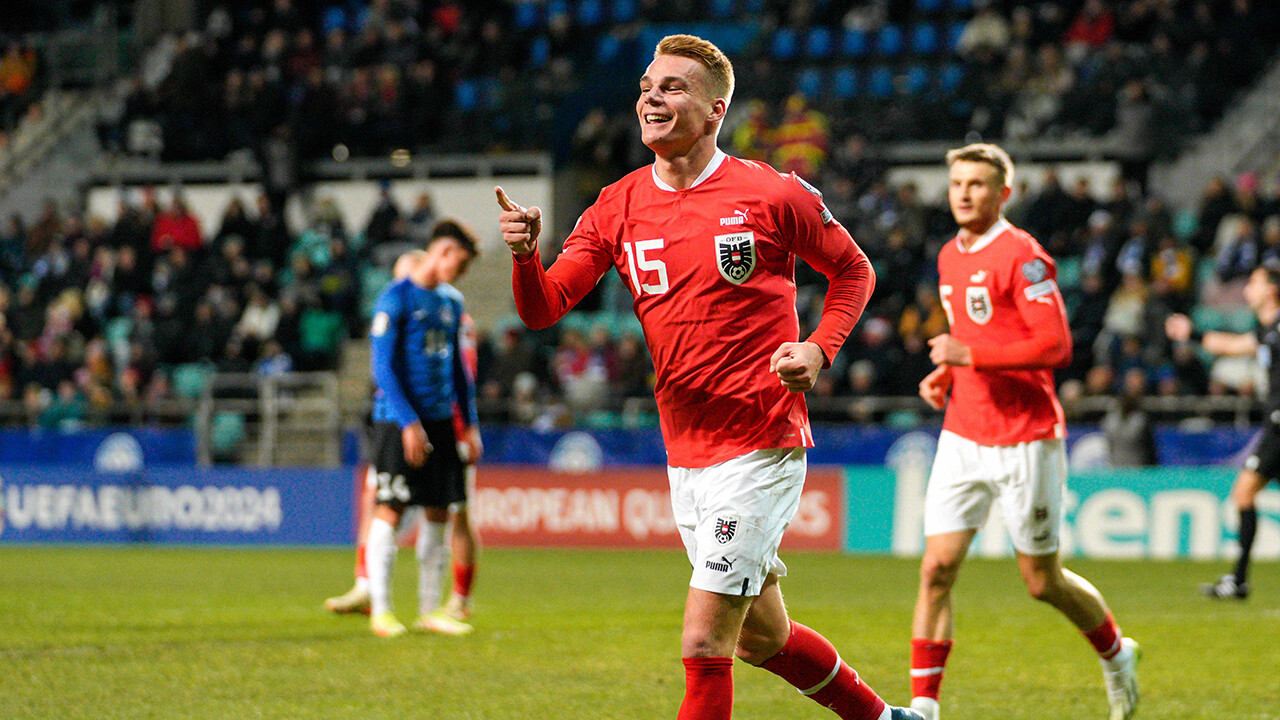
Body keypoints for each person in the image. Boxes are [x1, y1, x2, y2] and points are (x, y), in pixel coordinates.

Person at [496, 33, 921, 720]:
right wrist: (524, 257)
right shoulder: (616, 204)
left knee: (704, 641)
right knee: (763, 638)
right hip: (686, 451)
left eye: (672, 87)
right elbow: (544, 308)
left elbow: (854, 270)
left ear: (716, 108)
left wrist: (819, 349)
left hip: (760, 442)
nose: (651, 98)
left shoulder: (772, 193)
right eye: (646, 87)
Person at [912, 143, 1140, 720]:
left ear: (1004, 194)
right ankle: (924, 708)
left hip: (1026, 435)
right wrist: (949, 372)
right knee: (936, 569)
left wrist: (969, 356)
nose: (964, 193)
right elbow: (974, 337)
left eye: (977, 184)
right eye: (957, 183)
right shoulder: (949, 255)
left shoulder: (1024, 255)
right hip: (963, 432)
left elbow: (1056, 345)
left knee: (1042, 581)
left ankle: (1117, 653)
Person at [324, 245, 483, 623]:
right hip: (398, 421)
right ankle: (368, 587)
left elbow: (460, 374)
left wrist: (467, 425)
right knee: (379, 499)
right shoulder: (399, 305)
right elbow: (385, 367)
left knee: (453, 511)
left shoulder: (451, 313)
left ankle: (456, 599)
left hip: (445, 424)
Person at [1166, 264, 1280, 599]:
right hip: (1274, 425)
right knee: (1244, 494)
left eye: (1254, 282)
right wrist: (1192, 334)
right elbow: (1231, 345)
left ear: (1272, 289)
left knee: (1244, 493)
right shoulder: (1267, 330)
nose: (1247, 289)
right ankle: (1238, 580)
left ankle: (1239, 580)